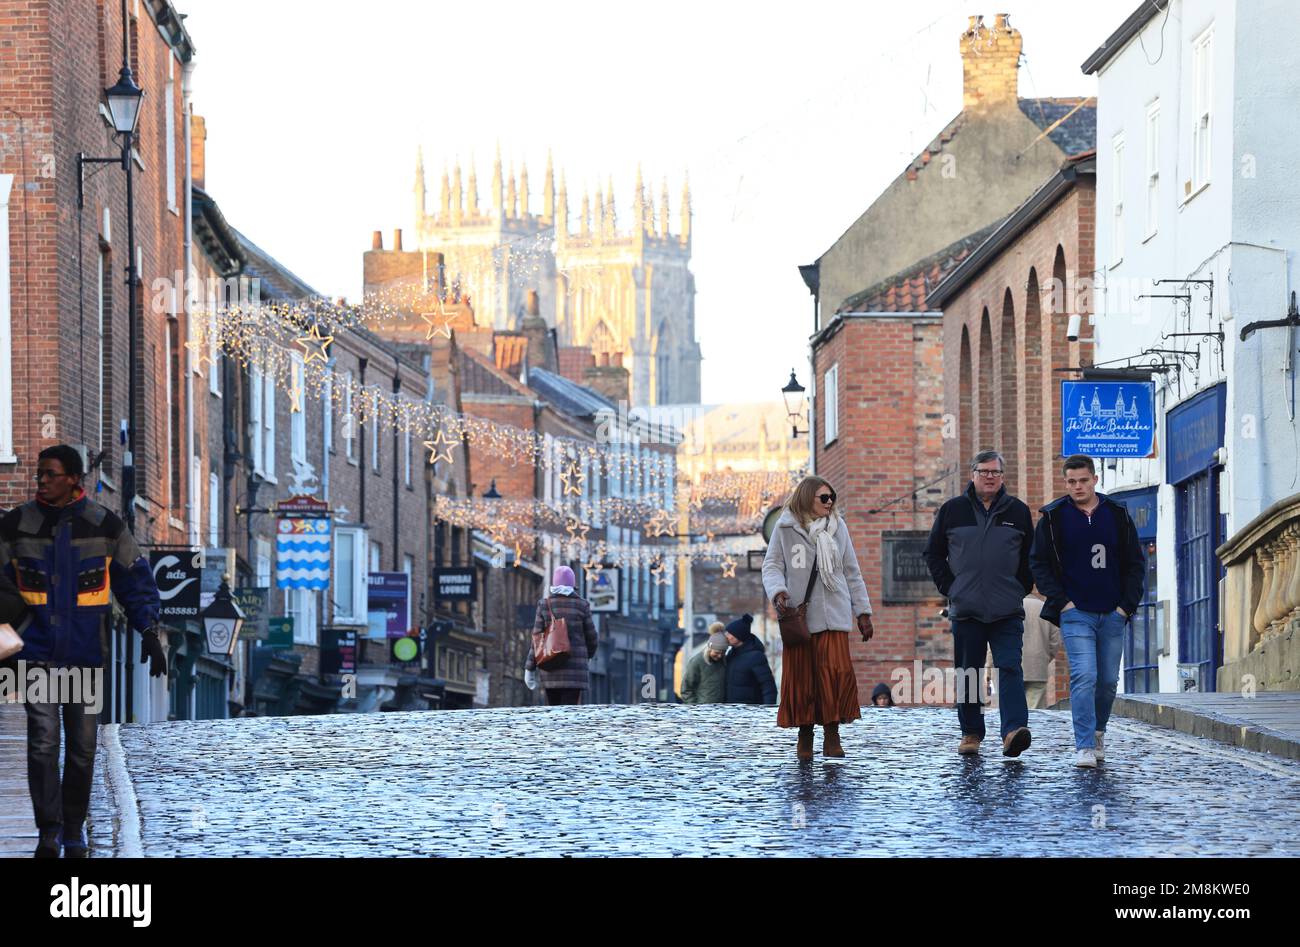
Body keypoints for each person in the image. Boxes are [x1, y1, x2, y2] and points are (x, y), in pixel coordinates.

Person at [0, 445, 165, 858]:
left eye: (51, 474)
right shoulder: (15, 525)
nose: (41, 480)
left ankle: (73, 827)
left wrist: (148, 629)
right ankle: (48, 831)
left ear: (75, 478)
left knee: (82, 747)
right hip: (31, 653)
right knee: (42, 742)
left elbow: (134, 580)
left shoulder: (105, 525)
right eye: (39, 474)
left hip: (86, 655)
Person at [1030, 455, 1145, 768]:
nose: (1077, 486)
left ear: (1094, 479)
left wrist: (1125, 607)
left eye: (1082, 480)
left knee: (1107, 680)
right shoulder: (1053, 518)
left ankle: (1097, 732)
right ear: (1065, 483)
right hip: (1075, 611)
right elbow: (1038, 564)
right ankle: (1083, 746)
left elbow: (1135, 563)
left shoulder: (1117, 514)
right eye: (1071, 482)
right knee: (1085, 675)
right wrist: (1063, 601)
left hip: (1113, 612)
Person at [922, 450, 1035, 758]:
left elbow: (1030, 558)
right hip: (966, 607)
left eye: (995, 472)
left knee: (1009, 666)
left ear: (1003, 477)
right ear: (972, 475)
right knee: (968, 671)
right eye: (983, 471)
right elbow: (933, 553)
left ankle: (1013, 730)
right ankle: (971, 732)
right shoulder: (952, 510)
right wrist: (952, 588)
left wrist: (1018, 588)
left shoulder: (1018, 512)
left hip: (1007, 608)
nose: (989, 477)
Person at [761, 475, 873, 759]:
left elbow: (852, 571)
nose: (830, 502)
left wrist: (862, 612)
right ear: (807, 498)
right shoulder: (785, 528)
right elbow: (771, 566)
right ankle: (805, 735)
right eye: (823, 497)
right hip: (799, 618)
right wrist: (779, 592)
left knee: (834, 675)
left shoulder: (838, 528)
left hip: (834, 615)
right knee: (803, 679)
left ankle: (832, 734)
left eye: (832, 497)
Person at [524, 566, 598, 706]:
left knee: (553, 709)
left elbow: (537, 639)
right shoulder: (582, 605)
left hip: (550, 667)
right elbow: (592, 637)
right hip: (575, 671)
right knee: (570, 709)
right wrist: (587, 656)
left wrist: (529, 668)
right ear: (573, 584)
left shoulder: (544, 605)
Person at [721, 614, 777, 707]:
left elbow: (768, 687)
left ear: (739, 636)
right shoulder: (731, 654)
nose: (726, 636)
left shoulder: (756, 657)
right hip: (730, 712)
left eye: (730, 633)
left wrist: (768, 710)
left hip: (750, 711)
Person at [679, 624, 728, 705]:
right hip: (702, 712)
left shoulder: (725, 661)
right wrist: (695, 708)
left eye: (723, 653)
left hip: (721, 711)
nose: (719, 656)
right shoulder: (697, 661)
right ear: (709, 648)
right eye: (717, 653)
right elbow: (686, 689)